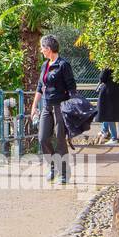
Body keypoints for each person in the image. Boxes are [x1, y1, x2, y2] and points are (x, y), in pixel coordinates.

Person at [30, 35, 76, 184]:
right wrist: (34, 106)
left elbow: (72, 88)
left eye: (42, 48)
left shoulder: (63, 65)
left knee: (60, 140)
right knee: (43, 138)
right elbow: (39, 87)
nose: (41, 50)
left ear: (48, 49)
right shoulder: (45, 65)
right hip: (46, 106)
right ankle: (52, 167)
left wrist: (71, 108)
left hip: (60, 107)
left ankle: (64, 173)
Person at [96, 68, 119, 144]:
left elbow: (102, 77)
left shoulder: (107, 66)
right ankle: (104, 130)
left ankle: (114, 137)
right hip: (118, 91)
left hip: (109, 91)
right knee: (108, 113)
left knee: (108, 114)